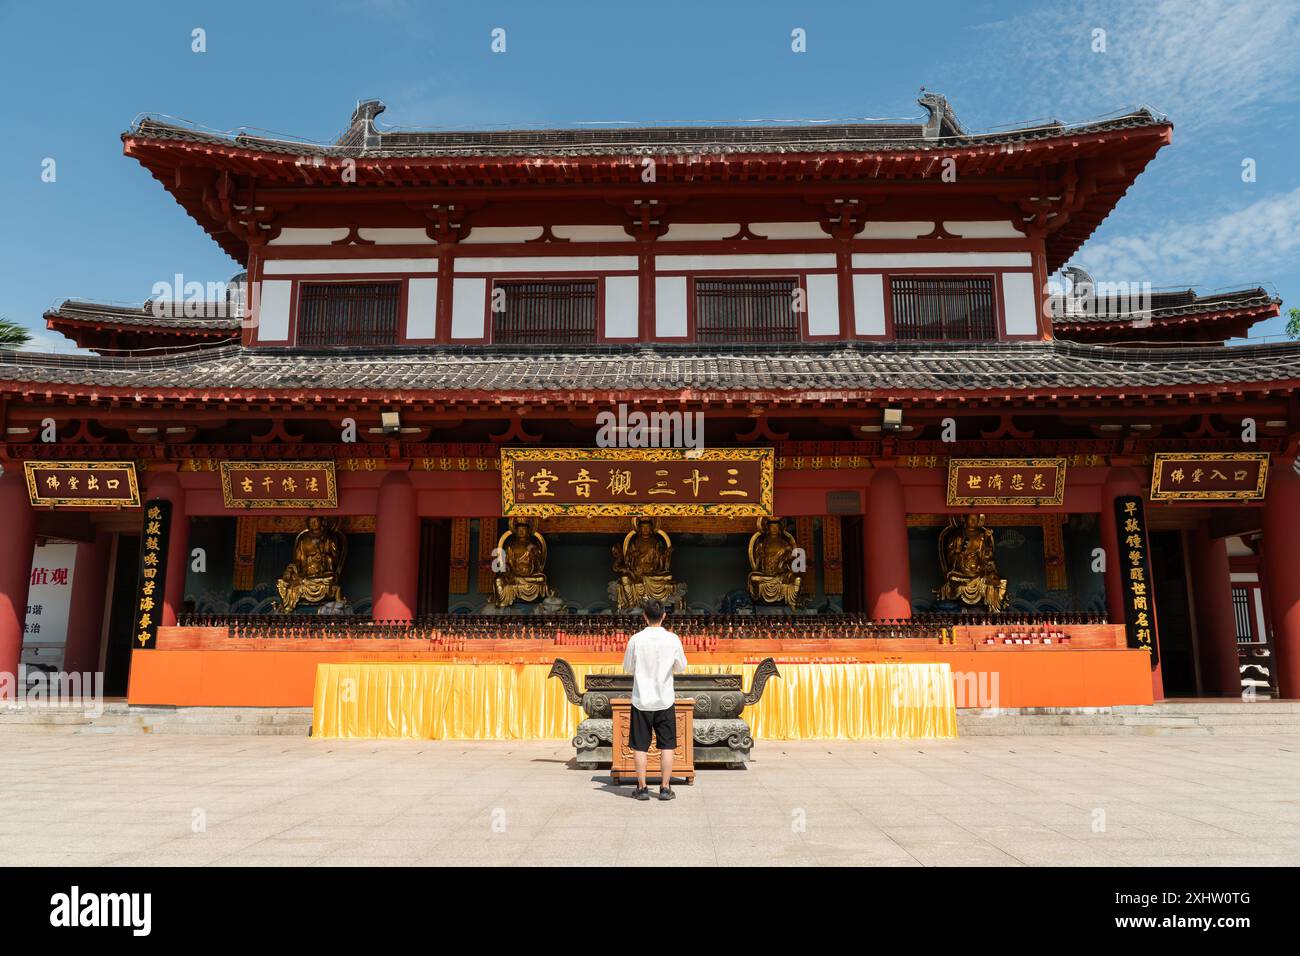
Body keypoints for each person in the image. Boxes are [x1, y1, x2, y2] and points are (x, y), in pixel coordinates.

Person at [621, 598, 688, 801]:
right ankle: (665, 787)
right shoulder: (673, 639)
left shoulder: (636, 639)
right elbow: (681, 667)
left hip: (641, 699)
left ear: (644, 616)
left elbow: (628, 668)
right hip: (665, 699)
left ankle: (642, 788)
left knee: (640, 745)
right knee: (667, 744)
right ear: (664, 616)